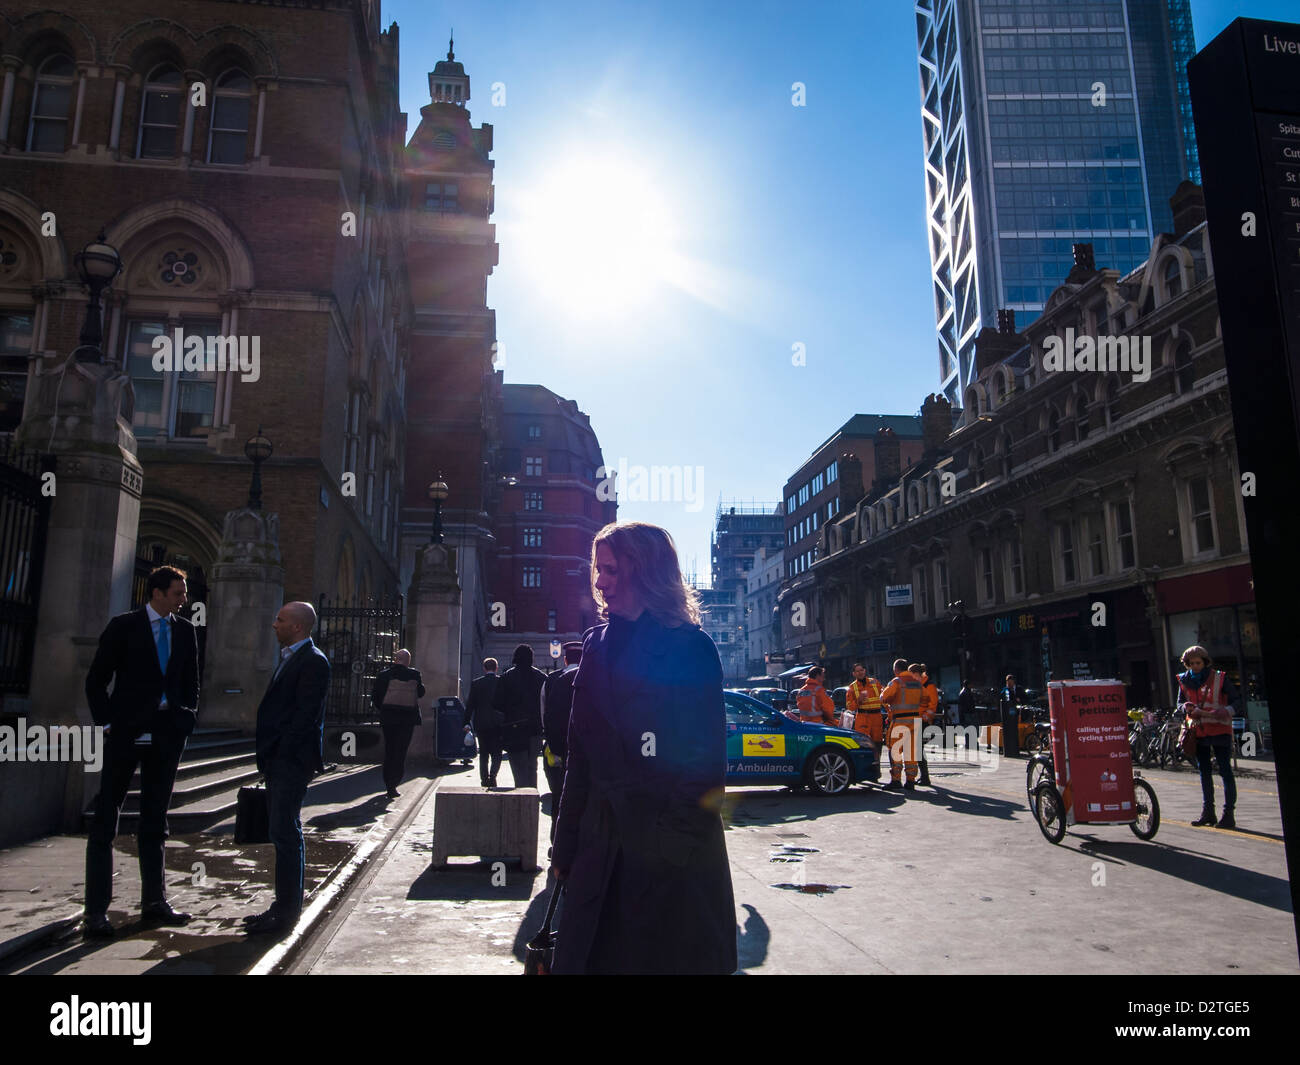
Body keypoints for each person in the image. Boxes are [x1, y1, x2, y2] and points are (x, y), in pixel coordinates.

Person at [551, 521, 736, 974]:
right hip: (598, 851)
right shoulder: (594, 646)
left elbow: (705, 763)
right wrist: (566, 844)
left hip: (671, 858)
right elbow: (579, 757)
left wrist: (669, 846)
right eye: (598, 569)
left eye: (610, 569)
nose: (599, 581)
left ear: (645, 571)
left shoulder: (690, 648)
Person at [82, 566, 200, 937]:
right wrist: (108, 723)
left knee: (155, 818)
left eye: (184, 593)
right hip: (126, 732)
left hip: (167, 734)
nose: (185, 599)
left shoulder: (185, 630)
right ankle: (96, 912)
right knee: (106, 815)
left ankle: (155, 902)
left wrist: (185, 719)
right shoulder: (123, 626)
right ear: (157, 593)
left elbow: (191, 683)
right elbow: (96, 680)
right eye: (178, 593)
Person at [246, 602, 330, 936]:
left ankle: (287, 910)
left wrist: (281, 753)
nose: (273, 624)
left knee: (285, 832)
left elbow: (305, 716)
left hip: (291, 761)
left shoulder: (313, 661)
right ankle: (282, 905)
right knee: (281, 831)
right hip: (280, 758)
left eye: (280, 619)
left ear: (296, 627)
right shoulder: (291, 656)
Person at [1177, 645, 1238, 829]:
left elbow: (1237, 700)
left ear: (1205, 662)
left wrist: (1226, 711)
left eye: (1198, 663)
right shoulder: (1183, 680)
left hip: (1219, 729)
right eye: (1191, 663)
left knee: (1225, 771)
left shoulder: (1219, 677)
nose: (1195, 666)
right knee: (1204, 773)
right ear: (1186, 664)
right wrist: (1184, 707)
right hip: (1198, 731)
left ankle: (1228, 814)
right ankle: (1208, 812)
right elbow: (1179, 703)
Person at [371, 649, 425, 799]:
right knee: (401, 751)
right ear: (408, 661)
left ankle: (388, 783)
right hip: (407, 720)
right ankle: (395, 783)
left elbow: (375, 696)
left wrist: (384, 708)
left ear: (395, 659)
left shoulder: (384, 675)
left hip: (389, 718)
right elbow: (421, 693)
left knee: (390, 750)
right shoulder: (414, 674)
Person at [493, 644, 546, 789]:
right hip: (534, 729)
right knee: (532, 768)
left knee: (519, 770)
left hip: (514, 729)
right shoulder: (541, 677)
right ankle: (532, 798)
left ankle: (522, 801)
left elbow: (497, 704)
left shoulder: (507, 677)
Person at [542, 642, 583, 823]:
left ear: (565, 660)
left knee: (559, 795)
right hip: (583, 748)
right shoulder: (594, 677)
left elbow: (544, 713)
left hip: (558, 746)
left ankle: (556, 837)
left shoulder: (552, 679)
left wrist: (551, 742)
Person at [879, 658, 925, 791]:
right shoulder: (917, 683)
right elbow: (925, 698)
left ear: (896, 669)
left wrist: (884, 695)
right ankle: (911, 781)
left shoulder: (896, 682)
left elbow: (884, 697)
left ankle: (896, 780)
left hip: (900, 720)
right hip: (915, 720)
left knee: (895, 750)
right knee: (911, 752)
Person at [465, 658, 502, 787]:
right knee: (497, 753)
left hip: (481, 723)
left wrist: (466, 722)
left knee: (484, 754)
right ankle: (493, 775)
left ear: (484, 668)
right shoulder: (501, 682)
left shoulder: (477, 683)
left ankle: (484, 779)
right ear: (496, 668)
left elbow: (470, 705)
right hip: (497, 723)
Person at [847, 663, 884, 783]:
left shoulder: (875, 682)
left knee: (877, 745)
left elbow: (884, 699)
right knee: (864, 746)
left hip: (877, 717)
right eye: (857, 671)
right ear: (853, 674)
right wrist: (858, 701)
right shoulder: (852, 688)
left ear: (865, 670)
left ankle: (876, 772)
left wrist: (890, 712)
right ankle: (865, 772)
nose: (860, 673)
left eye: (861, 670)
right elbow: (850, 707)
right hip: (862, 717)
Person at [915, 663, 939, 787]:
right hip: (918, 721)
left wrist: (925, 717)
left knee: (919, 749)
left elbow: (933, 705)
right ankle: (923, 776)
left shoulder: (928, 685)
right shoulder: (919, 685)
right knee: (918, 750)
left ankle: (925, 777)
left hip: (924, 722)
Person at [999, 674, 1021, 758]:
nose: (1010, 684)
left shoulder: (1016, 689)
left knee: (1014, 731)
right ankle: (1011, 750)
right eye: (1009, 682)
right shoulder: (1006, 690)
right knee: (1010, 732)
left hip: (1013, 715)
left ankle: (1014, 749)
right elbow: (1006, 700)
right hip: (1008, 716)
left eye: (1011, 682)